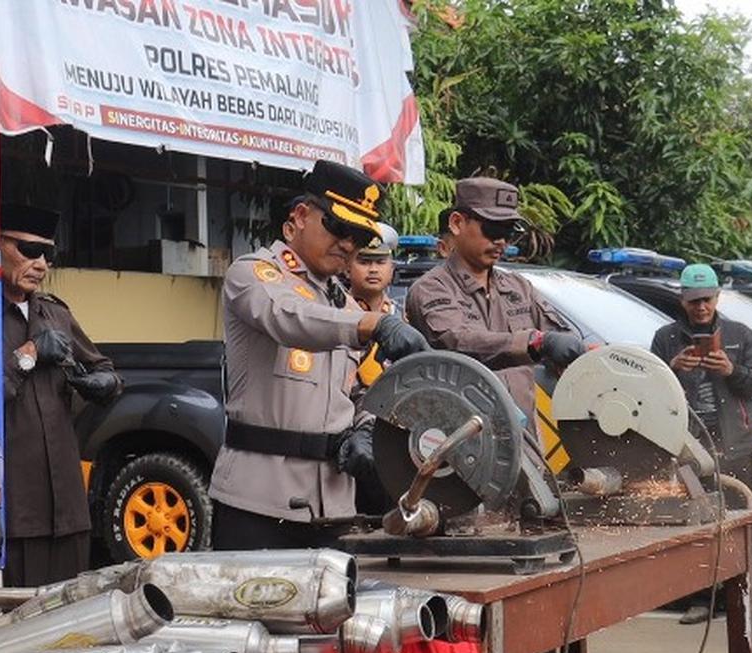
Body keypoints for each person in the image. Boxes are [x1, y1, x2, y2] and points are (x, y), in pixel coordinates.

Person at [209, 160, 430, 550]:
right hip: (258, 504)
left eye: (358, 236)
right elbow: (289, 317)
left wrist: (365, 428)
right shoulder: (253, 275)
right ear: (300, 216)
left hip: (333, 508)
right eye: (339, 227)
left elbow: (361, 390)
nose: (348, 244)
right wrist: (372, 324)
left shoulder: (344, 304)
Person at [649, 263, 752, 626]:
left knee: (744, 520)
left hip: (734, 443)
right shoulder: (666, 338)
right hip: (687, 445)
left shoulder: (742, 335)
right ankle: (701, 599)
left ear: (717, 297)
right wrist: (672, 368)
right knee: (696, 521)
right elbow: (650, 390)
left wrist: (731, 370)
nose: (701, 307)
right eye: (694, 301)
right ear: (683, 300)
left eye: (707, 299)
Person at [0, 204, 121, 586]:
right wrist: (28, 355)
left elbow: (104, 368)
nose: (40, 264)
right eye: (29, 250)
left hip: (67, 505)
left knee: (69, 607)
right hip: (16, 507)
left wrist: (104, 383)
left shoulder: (56, 314)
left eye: (48, 254)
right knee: (14, 611)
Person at [404, 177, 582, 426]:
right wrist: (535, 343)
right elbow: (457, 342)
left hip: (521, 436)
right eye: (493, 230)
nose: (501, 241)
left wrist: (574, 351)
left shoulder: (519, 287)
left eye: (509, 232)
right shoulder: (432, 288)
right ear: (457, 223)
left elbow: (562, 339)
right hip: (458, 436)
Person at [344, 225, 400, 515]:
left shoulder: (403, 316)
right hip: (352, 434)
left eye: (381, 261)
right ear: (347, 266)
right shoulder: (337, 316)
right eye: (364, 261)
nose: (373, 269)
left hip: (398, 433)